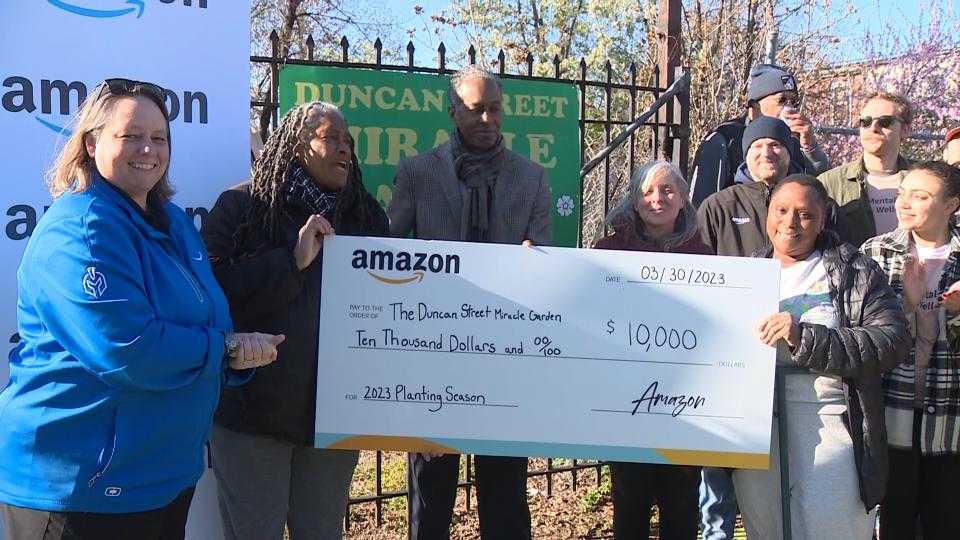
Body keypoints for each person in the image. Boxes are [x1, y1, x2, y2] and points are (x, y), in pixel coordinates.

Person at [0, 78, 281, 540]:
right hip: (80, 487)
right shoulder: (82, 229)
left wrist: (235, 350)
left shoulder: (173, 221)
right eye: (131, 135)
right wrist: (223, 349)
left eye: (159, 137)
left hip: (156, 479)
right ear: (91, 144)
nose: (148, 149)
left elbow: (211, 318)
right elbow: (128, 349)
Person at [201, 101, 388, 540]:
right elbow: (210, 293)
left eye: (349, 141)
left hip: (333, 419)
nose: (345, 149)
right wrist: (292, 262)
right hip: (252, 418)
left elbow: (391, 310)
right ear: (296, 145)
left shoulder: (366, 217)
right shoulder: (242, 206)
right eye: (331, 138)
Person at [388, 65, 552, 540]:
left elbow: (545, 264)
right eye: (476, 109)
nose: (487, 119)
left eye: (495, 109)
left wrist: (535, 261)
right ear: (453, 111)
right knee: (430, 493)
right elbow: (391, 253)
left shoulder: (531, 178)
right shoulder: (417, 173)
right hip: (434, 354)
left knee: (505, 495)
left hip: (505, 356)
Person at [734, 174, 907, 539]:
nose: (790, 223)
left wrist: (804, 337)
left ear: (823, 218)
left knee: (833, 528)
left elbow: (891, 341)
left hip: (833, 423)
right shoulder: (744, 274)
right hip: (758, 429)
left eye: (805, 214)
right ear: (767, 212)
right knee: (767, 531)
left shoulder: (854, 270)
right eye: (781, 210)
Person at [593, 160, 709, 539]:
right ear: (634, 200)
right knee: (629, 503)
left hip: (683, 404)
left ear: (684, 199)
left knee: (682, 506)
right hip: (624, 402)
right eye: (647, 191)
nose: (657, 198)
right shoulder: (608, 252)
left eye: (667, 190)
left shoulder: (705, 259)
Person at [695, 115, 794, 539]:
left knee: (780, 464)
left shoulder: (807, 198)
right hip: (728, 353)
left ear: (789, 153)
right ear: (744, 154)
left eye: (775, 145)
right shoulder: (719, 206)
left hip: (791, 351)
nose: (766, 153)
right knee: (717, 467)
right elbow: (696, 272)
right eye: (757, 147)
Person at [861, 161, 960, 539]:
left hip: (951, 420)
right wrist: (905, 304)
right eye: (903, 193)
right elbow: (864, 335)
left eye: (920, 196)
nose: (904, 203)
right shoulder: (876, 252)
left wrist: (956, 316)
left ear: (951, 205)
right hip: (892, 412)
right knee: (894, 525)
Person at [690, 63, 830, 207]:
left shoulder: (792, 141)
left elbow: (819, 196)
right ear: (755, 108)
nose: (790, 108)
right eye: (782, 100)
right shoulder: (724, 140)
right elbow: (701, 206)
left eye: (793, 102)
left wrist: (810, 149)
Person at [818, 91, 914, 248]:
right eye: (866, 122)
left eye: (885, 121)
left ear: (905, 130)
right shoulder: (829, 183)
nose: (873, 128)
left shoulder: (923, 180)